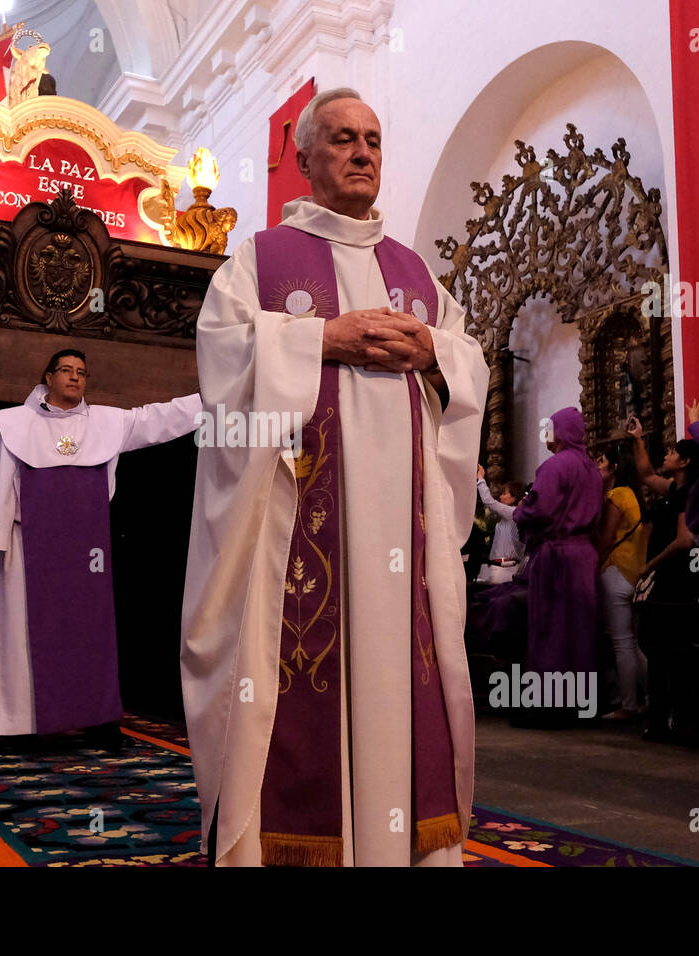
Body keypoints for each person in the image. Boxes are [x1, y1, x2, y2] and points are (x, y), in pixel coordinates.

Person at [180, 88, 489, 867]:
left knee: (402, 681)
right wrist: (322, 338)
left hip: (401, 547)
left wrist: (433, 354)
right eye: (344, 139)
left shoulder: (413, 270)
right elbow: (224, 359)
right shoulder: (259, 259)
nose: (362, 153)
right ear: (307, 159)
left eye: (374, 141)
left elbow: (467, 361)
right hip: (304, 543)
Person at [0, 348, 200, 742]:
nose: (75, 377)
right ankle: (16, 725)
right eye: (66, 370)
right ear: (48, 377)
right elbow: (2, 484)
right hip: (29, 547)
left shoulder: (108, 422)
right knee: (22, 635)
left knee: (89, 633)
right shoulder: (16, 424)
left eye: (82, 371)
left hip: (87, 551)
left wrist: (213, 393)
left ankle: (97, 721)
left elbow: (159, 418)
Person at [624, 417, 699, 740]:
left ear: (685, 461)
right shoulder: (673, 489)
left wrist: (650, 565)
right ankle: (661, 719)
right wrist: (638, 439)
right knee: (658, 649)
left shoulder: (689, 495)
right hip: (666, 581)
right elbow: (646, 475)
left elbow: (684, 540)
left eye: (672, 452)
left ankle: (676, 722)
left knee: (670, 652)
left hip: (676, 581)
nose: (667, 455)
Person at [512, 408, 602, 695]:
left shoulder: (555, 466)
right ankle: (582, 701)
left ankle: (549, 703)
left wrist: (520, 513)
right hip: (585, 555)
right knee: (581, 630)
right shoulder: (591, 468)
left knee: (551, 626)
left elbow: (539, 508)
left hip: (557, 554)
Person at [594, 442, 648, 719]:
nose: (596, 464)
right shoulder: (635, 495)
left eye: (601, 460)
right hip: (635, 572)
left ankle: (628, 705)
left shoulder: (616, 494)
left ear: (614, 467)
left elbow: (606, 537)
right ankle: (655, 697)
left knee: (622, 642)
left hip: (616, 570)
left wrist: (594, 561)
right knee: (632, 642)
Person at [475, 464, 524, 584]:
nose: (501, 497)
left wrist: (481, 478)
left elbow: (489, 501)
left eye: (504, 493)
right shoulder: (508, 516)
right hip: (499, 566)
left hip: (506, 568)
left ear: (514, 497)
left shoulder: (513, 513)